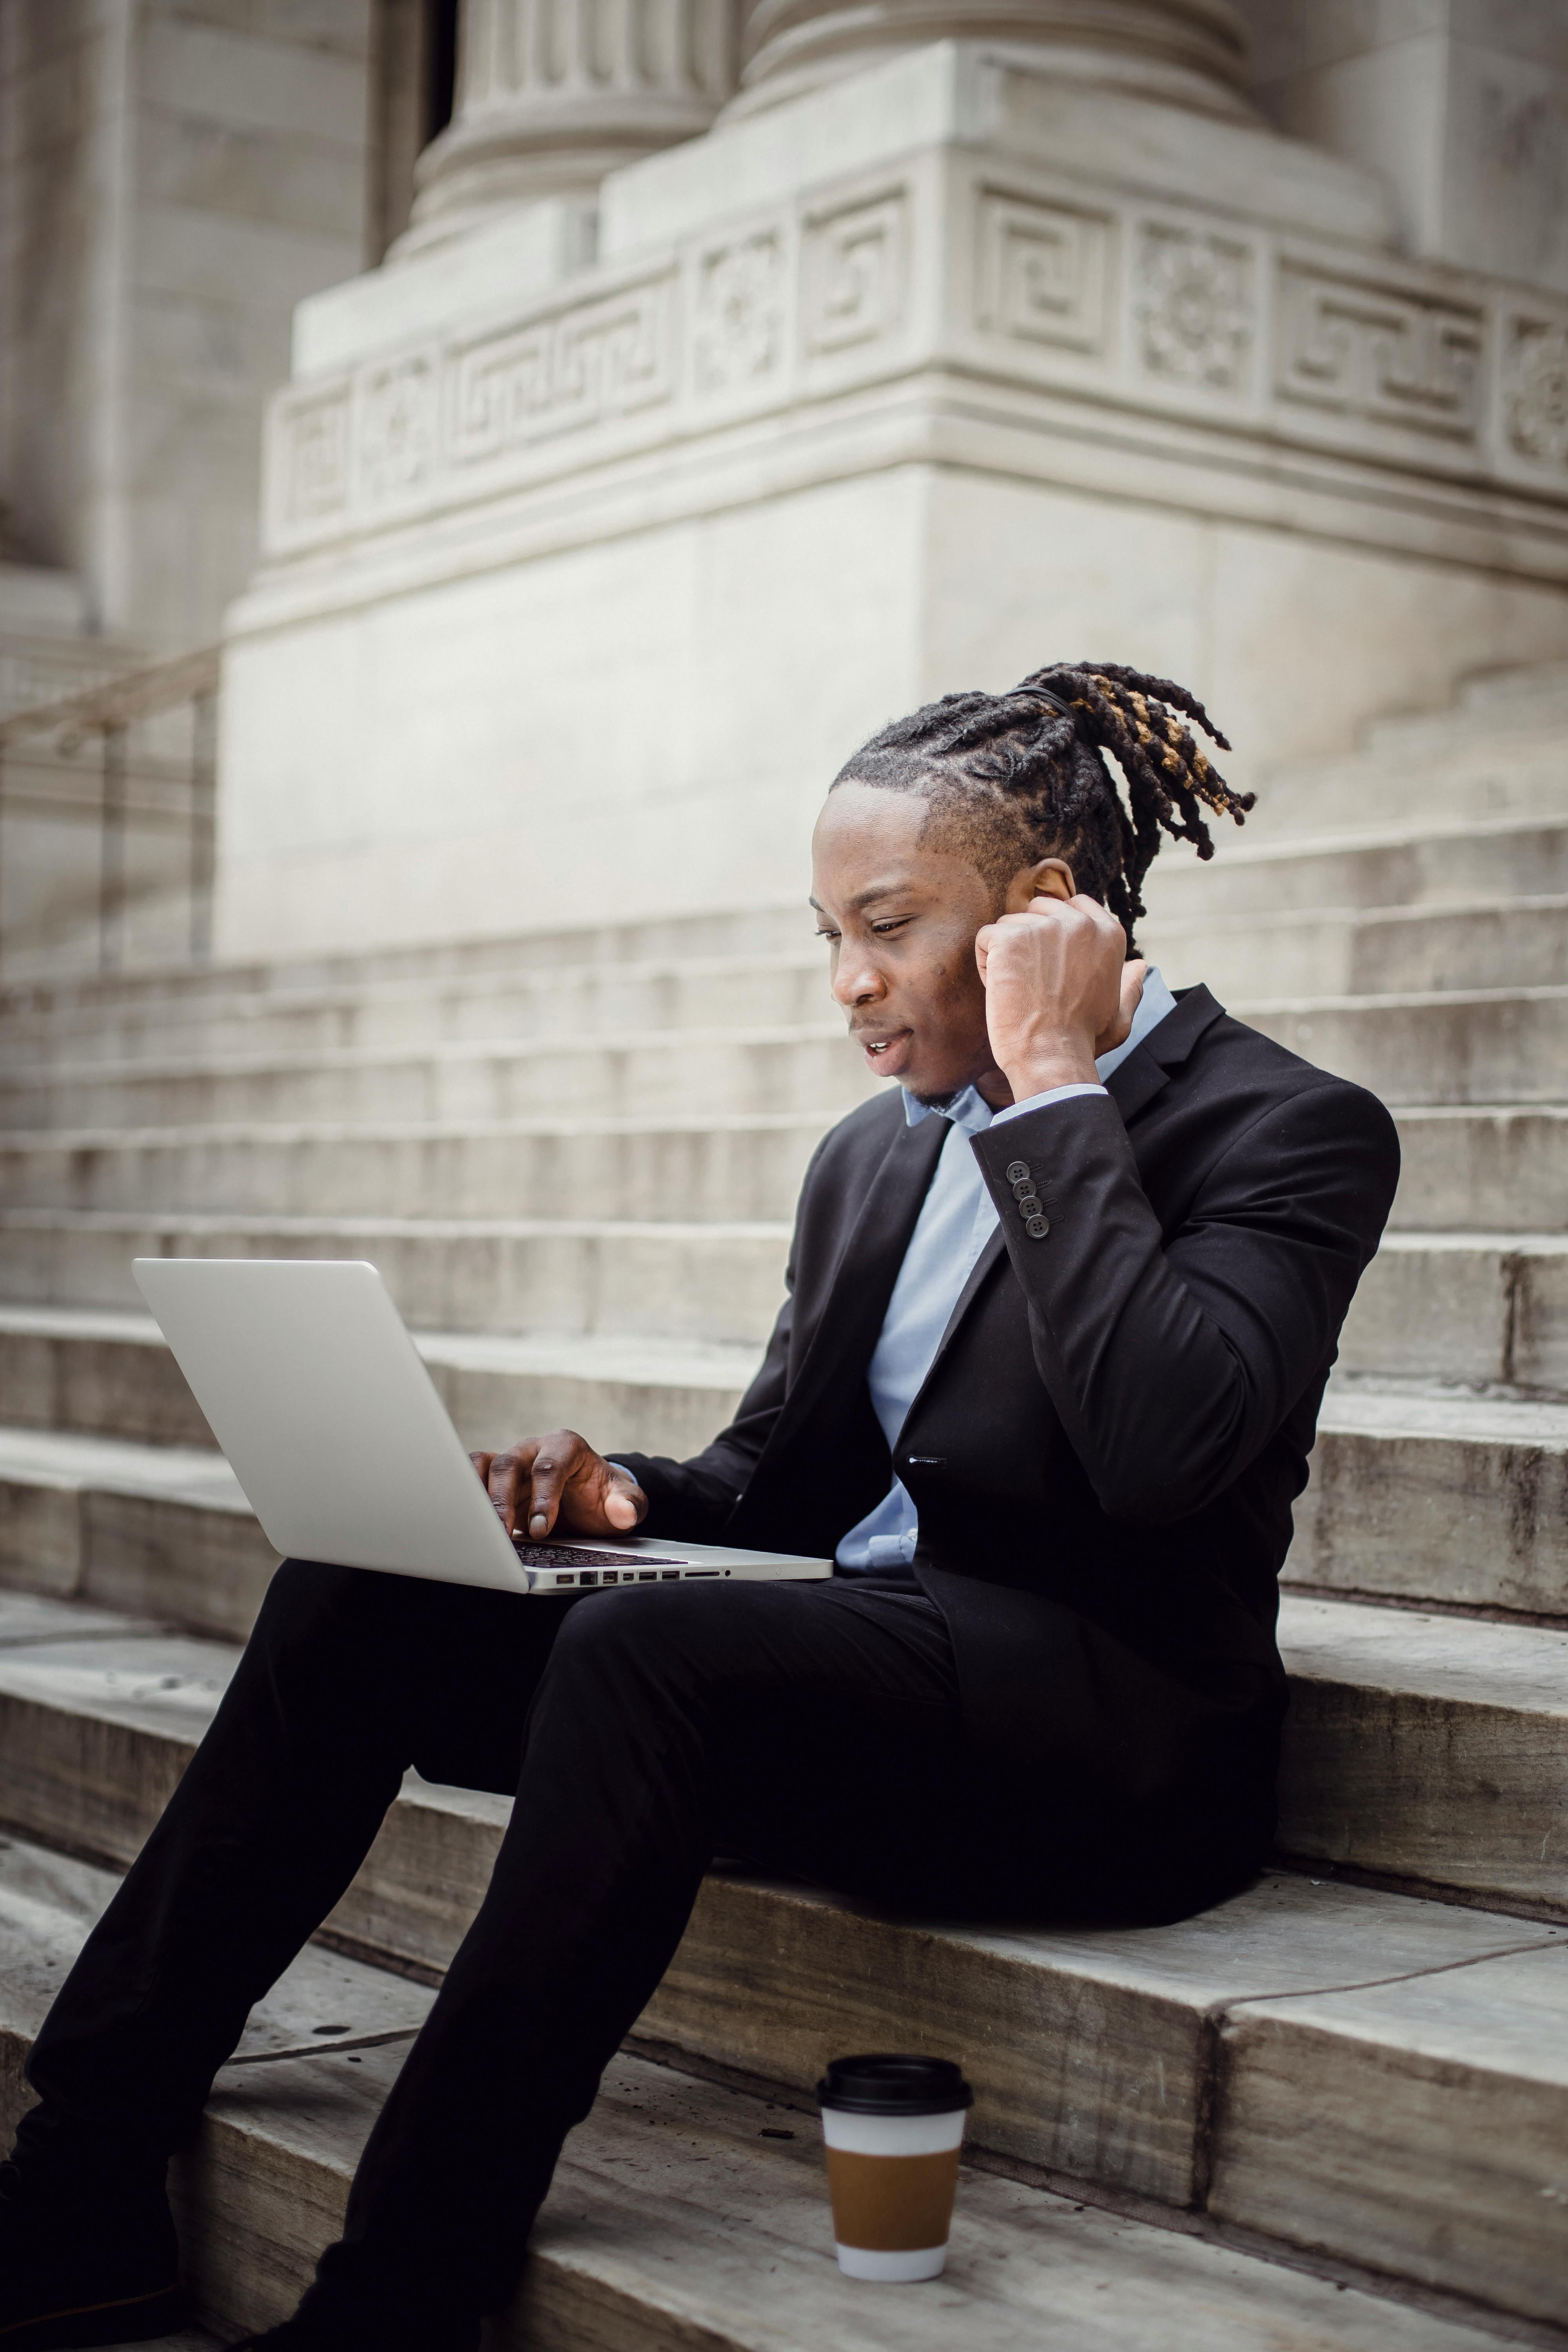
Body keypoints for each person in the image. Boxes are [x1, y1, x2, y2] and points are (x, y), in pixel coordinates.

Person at [0, 661, 1399, 2350]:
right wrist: (618, 1495)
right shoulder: (873, 1156)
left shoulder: (1289, 1130)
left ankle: (404, 2294)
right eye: (823, 933)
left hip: (1104, 1735)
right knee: (361, 1587)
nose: (846, 984)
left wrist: (1053, 1085)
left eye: (884, 927)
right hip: (849, 1684)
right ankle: (81, 2180)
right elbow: (786, 1479)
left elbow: (1164, 1446)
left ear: (1045, 912)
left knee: (649, 1664)